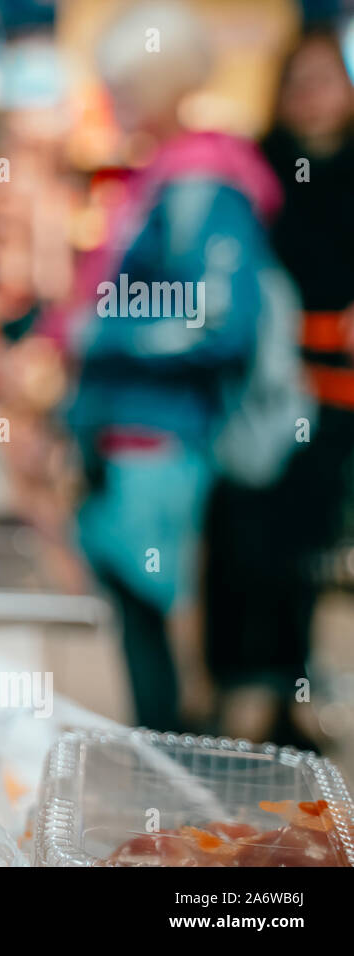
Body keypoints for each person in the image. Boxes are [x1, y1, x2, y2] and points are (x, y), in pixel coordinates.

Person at [63, 2, 286, 732]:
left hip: (159, 441)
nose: (116, 100)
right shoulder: (164, 176)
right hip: (138, 437)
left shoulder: (200, 181)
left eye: (125, 84)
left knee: (159, 647)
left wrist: (95, 333)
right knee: (145, 634)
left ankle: (166, 820)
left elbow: (219, 322)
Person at [202, 29, 354, 748]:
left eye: (326, 80)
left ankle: (291, 690)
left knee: (308, 547)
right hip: (258, 392)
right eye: (301, 81)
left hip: (335, 399)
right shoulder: (258, 171)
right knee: (245, 538)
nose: (313, 96)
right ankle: (241, 690)